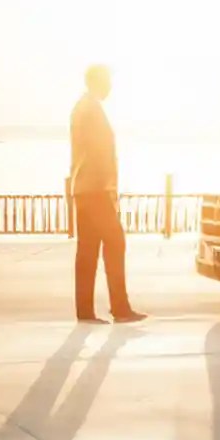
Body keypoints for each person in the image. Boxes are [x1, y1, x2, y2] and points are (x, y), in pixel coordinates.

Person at [69, 64, 145, 324]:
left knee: (88, 248)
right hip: (96, 188)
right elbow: (100, 152)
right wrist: (110, 191)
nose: (111, 86)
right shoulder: (91, 110)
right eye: (108, 81)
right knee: (115, 241)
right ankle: (120, 308)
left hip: (84, 187)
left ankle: (85, 310)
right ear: (98, 82)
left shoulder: (83, 107)